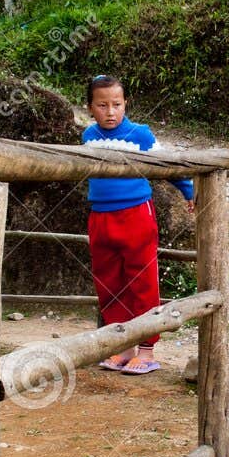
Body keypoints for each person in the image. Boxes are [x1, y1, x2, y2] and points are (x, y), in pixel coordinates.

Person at [82, 75, 193, 375]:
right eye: (102, 105)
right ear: (90, 107)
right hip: (100, 217)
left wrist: (189, 190)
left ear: (125, 104)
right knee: (109, 282)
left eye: (116, 104)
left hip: (135, 215)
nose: (110, 112)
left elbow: (165, 164)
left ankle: (146, 348)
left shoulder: (140, 135)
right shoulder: (87, 137)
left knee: (141, 280)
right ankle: (123, 346)